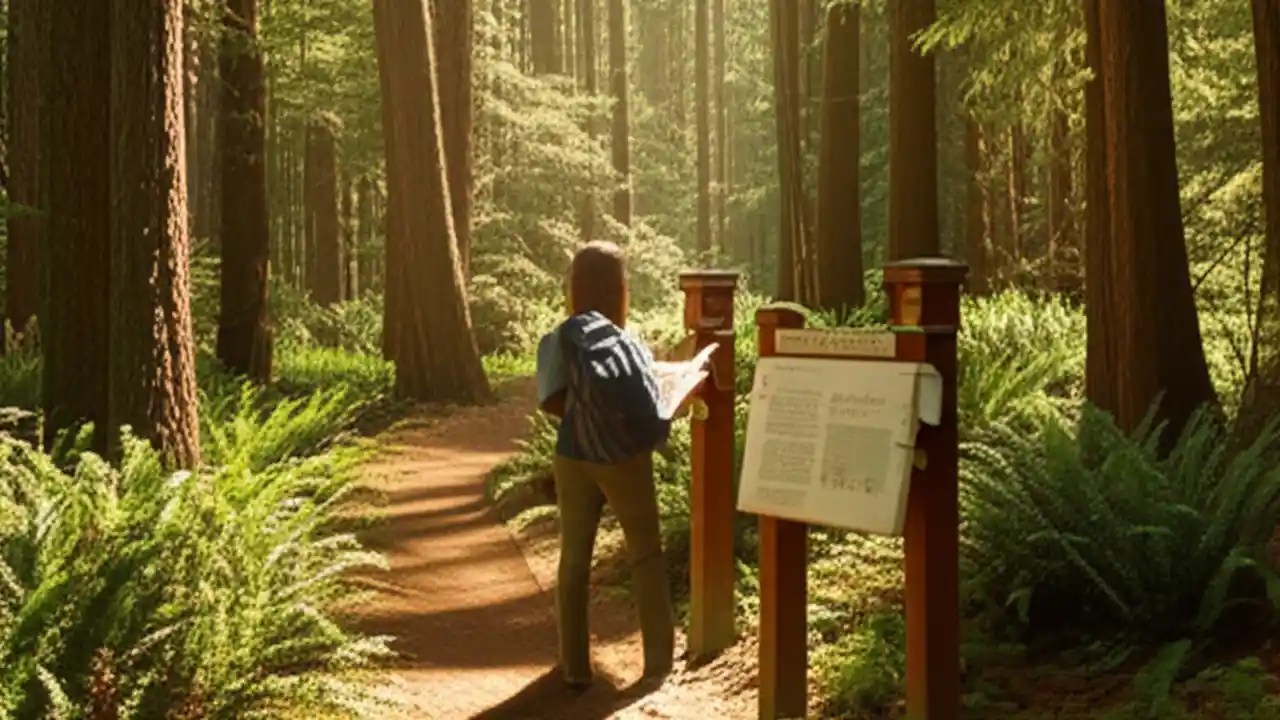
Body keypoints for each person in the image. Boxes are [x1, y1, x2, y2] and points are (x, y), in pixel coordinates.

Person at [536, 240, 676, 690]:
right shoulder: (628, 340)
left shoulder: (560, 336)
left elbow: (550, 399)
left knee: (573, 561)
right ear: (619, 288)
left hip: (572, 454)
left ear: (574, 287)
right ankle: (656, 666)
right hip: (624, 459)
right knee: (646, 556)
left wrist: (584, 417)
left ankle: (575, 668)